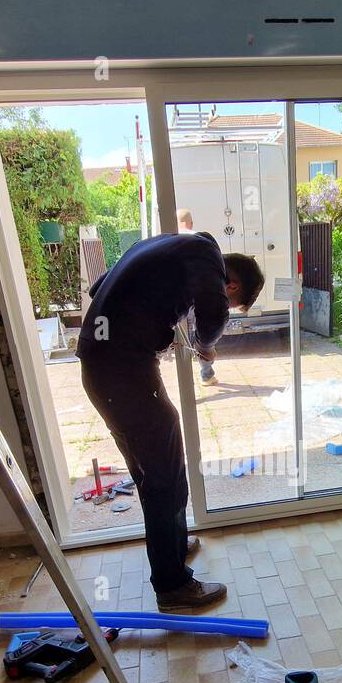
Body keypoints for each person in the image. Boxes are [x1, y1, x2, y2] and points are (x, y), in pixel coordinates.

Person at [78, 231, 264, 610]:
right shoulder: (205, 253)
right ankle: (172, 585)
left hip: (103, 368)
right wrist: (206, 348)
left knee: (154, 469)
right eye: (233, 300)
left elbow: (99, 287)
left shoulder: (165, 246)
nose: (226, 302)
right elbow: (213, 314)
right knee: (164, 476)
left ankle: (172, 547)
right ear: (231, 286)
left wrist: (149, 320)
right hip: (124, 371)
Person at [175, 209, 217, 386]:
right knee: (201, 334)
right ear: (190, 223)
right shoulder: (201, 239)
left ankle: (184, 380)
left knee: (180, 335)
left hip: (175, 297)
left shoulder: (168, 239)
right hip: (198, 294)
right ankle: (206, 374)